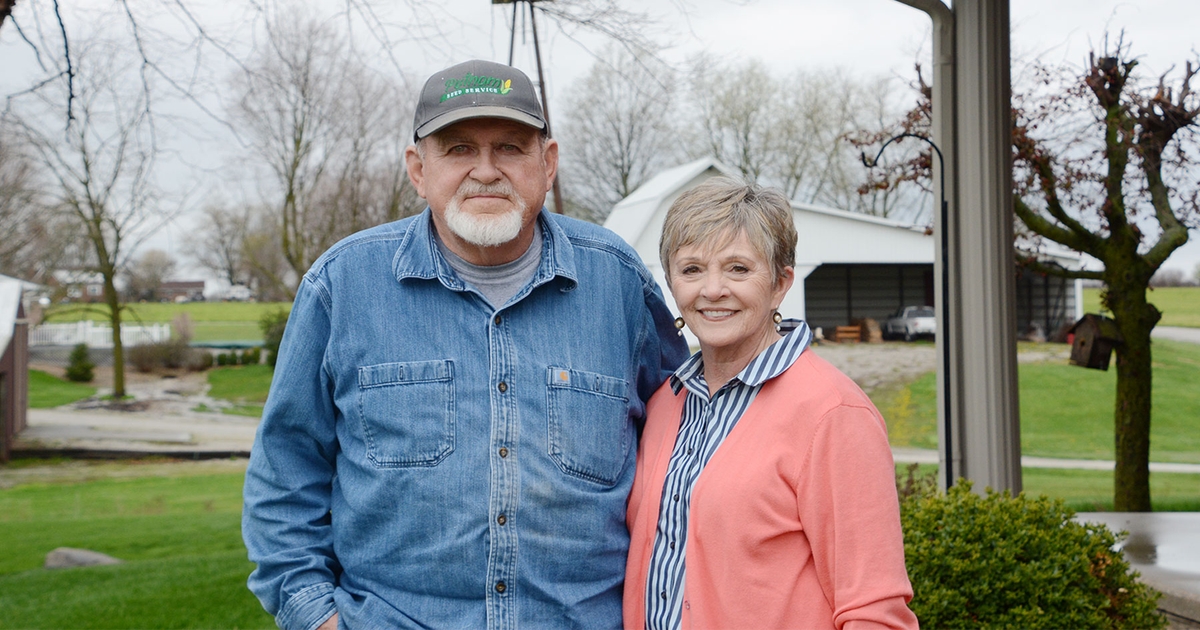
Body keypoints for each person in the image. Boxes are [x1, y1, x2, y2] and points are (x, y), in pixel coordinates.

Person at [242, 59, 688, 630]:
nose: (485, 171)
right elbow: (286, 474)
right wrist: (313, 615)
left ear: (546, 164)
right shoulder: (341, 286)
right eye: (457, 149)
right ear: (417, 169)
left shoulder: (618, 283)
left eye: (509, 147)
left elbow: (684, 453)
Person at [623, 178, 918, 630]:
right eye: (692, 269)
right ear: (670, 283)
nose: (713, 289)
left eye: (739, 269)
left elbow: (874, 612)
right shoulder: (666, 403)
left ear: (780, 284)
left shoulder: (833, 415)